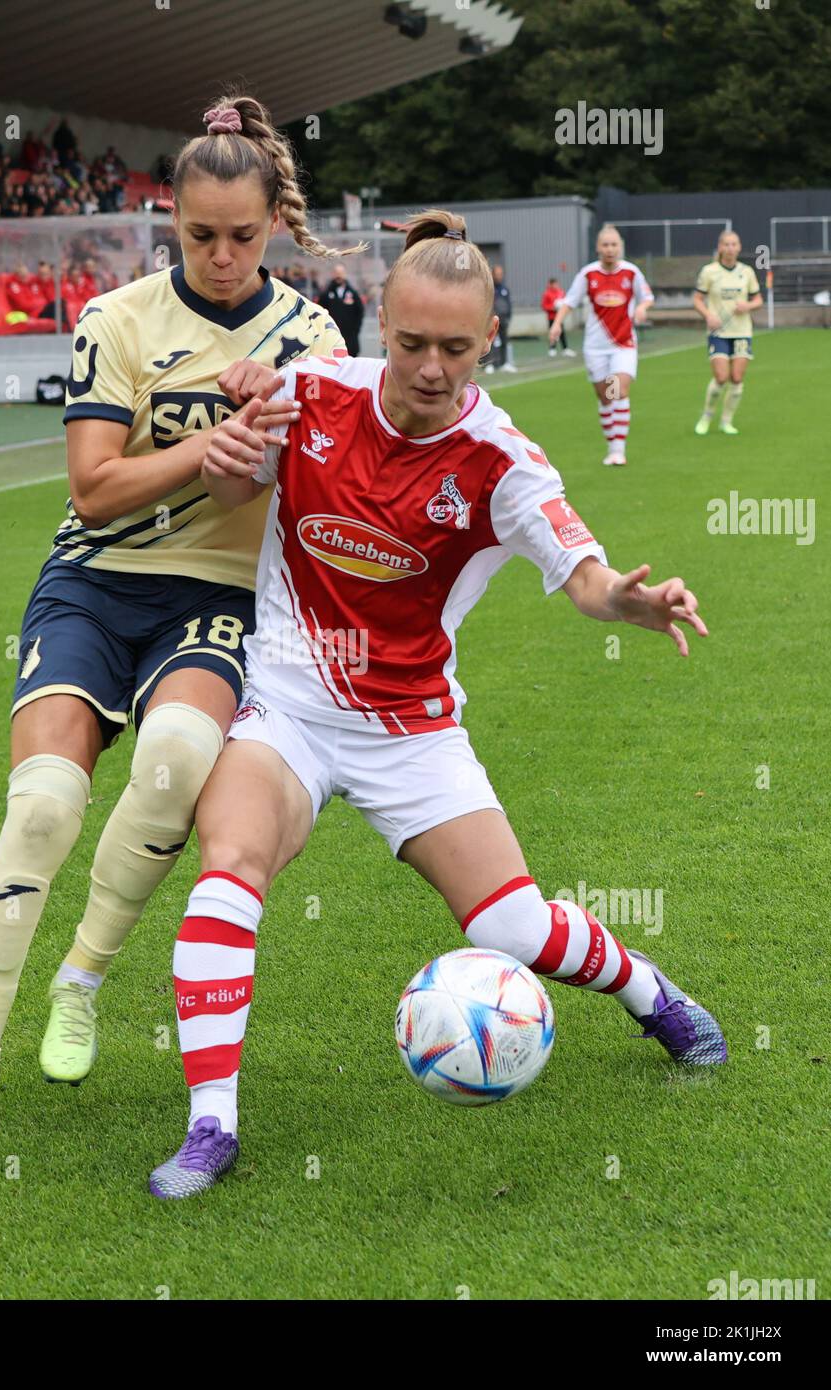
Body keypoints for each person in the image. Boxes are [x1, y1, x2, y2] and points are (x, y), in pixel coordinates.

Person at [146, 209, 725, 1201]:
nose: (428, 366)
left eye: (455, 347)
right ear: (379, 320)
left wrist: (624, 601)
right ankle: (212, 1126)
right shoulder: (309, 395)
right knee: (229, 863)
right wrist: (231, 454)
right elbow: (234, 491)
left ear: (488, 339)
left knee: (511, 929)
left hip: (409, 728)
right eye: (410, 342)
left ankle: (643, 987)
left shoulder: (503, 462)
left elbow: (581, 572)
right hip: (285, 705)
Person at [0, 92, 355, 1143]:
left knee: (173, 756)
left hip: (216, 595)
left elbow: (337, 487)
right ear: (171, 219)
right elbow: (92, 489)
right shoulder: (114, 320)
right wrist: (208, 444)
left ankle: (81, 977)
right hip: (94, 581)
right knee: (41, 805)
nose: (221, 255)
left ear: (271, 226)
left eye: (243, 237)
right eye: (200, 235)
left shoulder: (312, 334)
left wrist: (292, 417)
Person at [548, 226, 653, 467]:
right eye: (605, 245)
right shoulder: (588, 274)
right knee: (605, 397)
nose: (610, 249)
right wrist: (557, 324)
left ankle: (618, 450)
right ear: (598, 247)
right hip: (595, 346)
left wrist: (641, 308)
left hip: (623, 344)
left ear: (620, 246)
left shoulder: (631, 272)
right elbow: (570, 302)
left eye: (614, 244)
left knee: (620, 390)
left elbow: (647, 296)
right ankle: (611, 445)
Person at [692, 230, 762, 436]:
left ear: (739, 247)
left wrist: (747, 306)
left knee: (737, 377)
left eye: (734, 244)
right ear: (720, 247)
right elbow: (697, 299)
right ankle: (707, 415)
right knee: (721, 377)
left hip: (742, 331)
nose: (730, 248)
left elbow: (758, 300)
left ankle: (726, 421)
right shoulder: (709, 272)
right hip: (719, 332)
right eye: (727, 244)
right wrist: (708, 315)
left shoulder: (747, 272)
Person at [317, 262, 365, 355]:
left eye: (341, 272)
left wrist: (355, 330)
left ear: (345, 274)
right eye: (336, 272)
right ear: (332, 274)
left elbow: (360, 311)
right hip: (331, 337)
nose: (338, 275)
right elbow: (320, 312)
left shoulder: (352, 293)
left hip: (350, 338)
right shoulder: (326, 294)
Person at [484, 262, 515, 372]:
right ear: (492, 274)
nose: (499, 276)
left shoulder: (504, 289)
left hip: (503, 320)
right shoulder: (489, 289)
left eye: (500, 274)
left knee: (504, 341)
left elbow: (509, 304)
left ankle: (504, 363)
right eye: (497, 274)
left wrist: (508, 316)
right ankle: (489, 364)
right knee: (490, 341)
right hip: (492, 320)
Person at [541, 276, 575, 356]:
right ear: (550, 284)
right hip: (551, 317)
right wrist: (552, 308)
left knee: (562, 333)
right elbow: (544, 306)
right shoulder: (547, 294)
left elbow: (565, 302)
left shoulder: (561, 292)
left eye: (557, 284)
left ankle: (565, 349)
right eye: (554, 284)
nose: (556, 286)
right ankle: (552, 348)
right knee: (553, 333)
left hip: (559, 317)